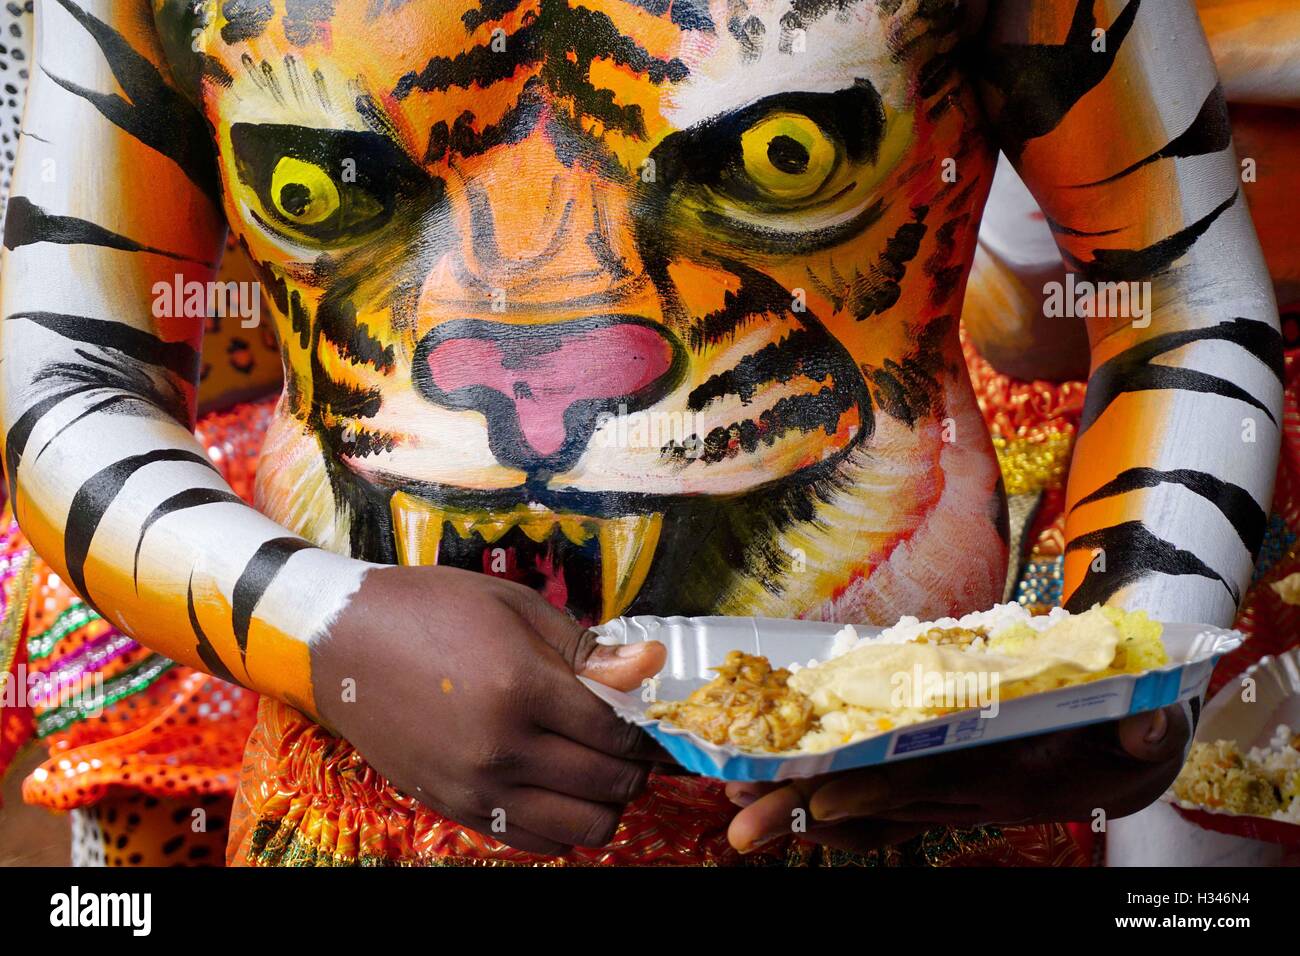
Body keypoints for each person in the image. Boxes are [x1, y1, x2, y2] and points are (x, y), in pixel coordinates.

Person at [0, 0, 1282, 866]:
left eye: (784, 156)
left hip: (921, 795)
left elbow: (1180, 301)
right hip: (360, 809)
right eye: (321, 184)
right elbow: (68, 368)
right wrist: (325, 630)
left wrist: (1122, 654)